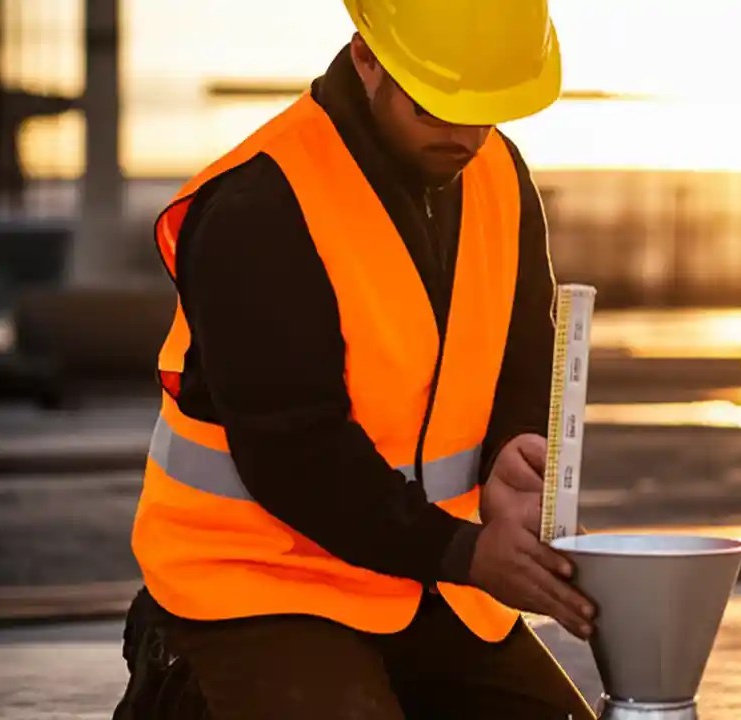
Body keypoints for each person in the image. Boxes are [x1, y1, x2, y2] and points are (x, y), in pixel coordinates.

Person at [113, 1, 597, 717]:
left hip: (423, 580)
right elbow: (294, 447)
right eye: (437, 107)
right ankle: (179, 682)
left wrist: (512, 449)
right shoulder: (261, 204)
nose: (465, 135)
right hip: (260, 585)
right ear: (367, 57)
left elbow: (524, 344)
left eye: (488, 109)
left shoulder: (496, 172)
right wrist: (467, 553)